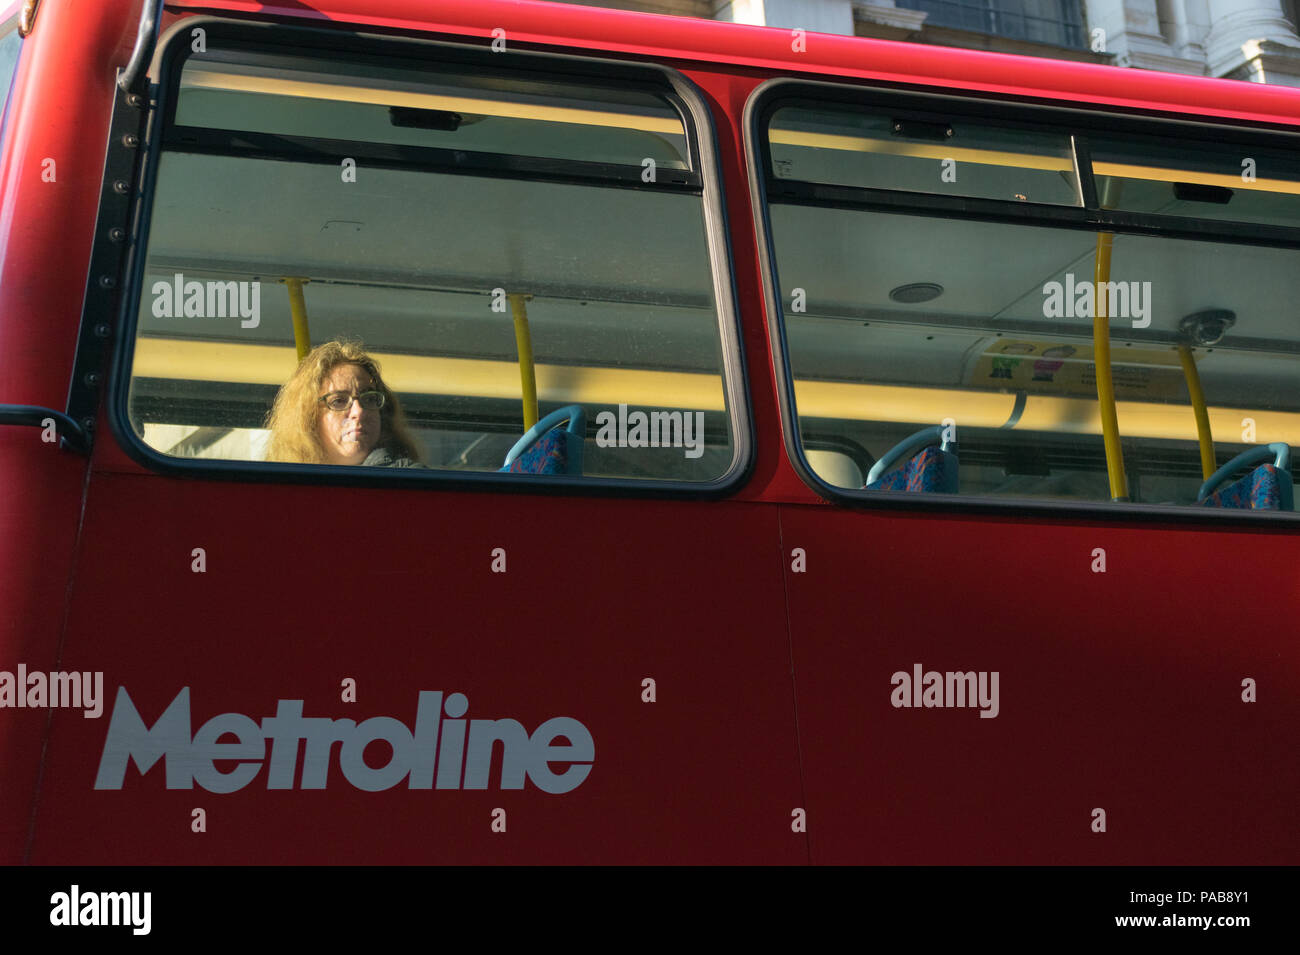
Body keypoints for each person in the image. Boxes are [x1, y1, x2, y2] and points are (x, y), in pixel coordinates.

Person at [264, 339, 426, 467]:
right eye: (339, 401)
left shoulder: (410, 482)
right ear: (309, 418)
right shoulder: (283, 486)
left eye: (369, 399)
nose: (359, 411)